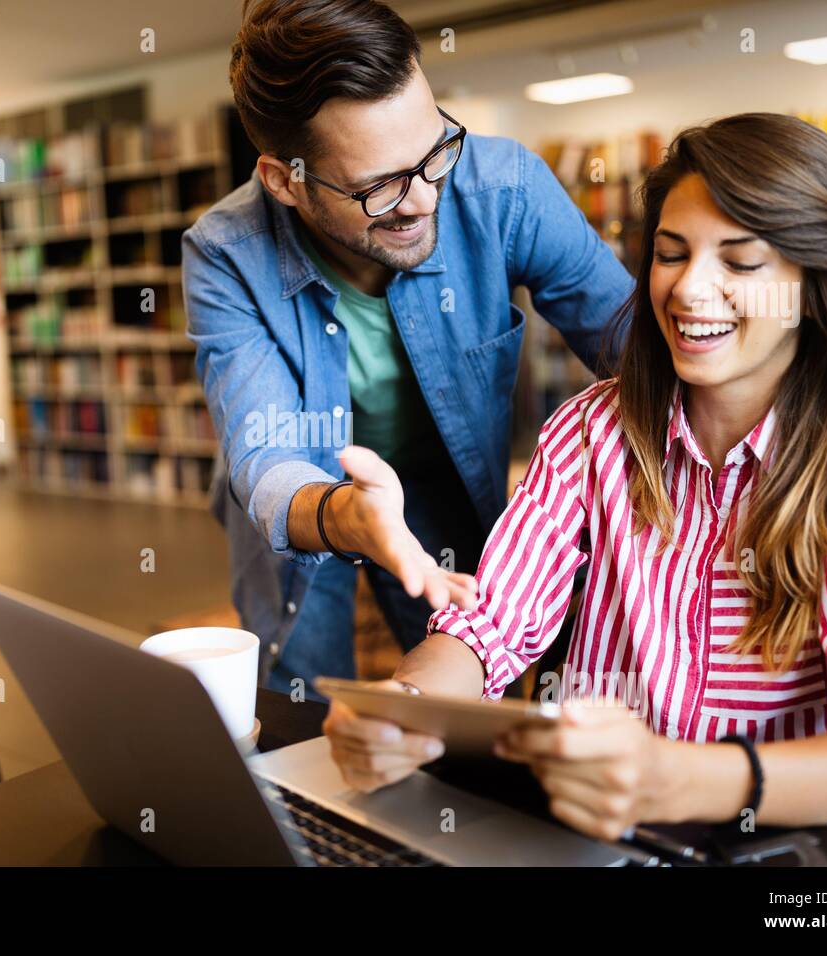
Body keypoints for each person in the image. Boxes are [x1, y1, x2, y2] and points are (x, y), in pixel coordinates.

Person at [324, 112, 827, 847]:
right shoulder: (592, 432)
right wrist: (404, 706)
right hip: (608, 841)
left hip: (815, 864)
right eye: (671, 254)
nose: (690, 290)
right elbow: (487, 625)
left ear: (814, 285)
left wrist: (675, 777)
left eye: (740, 264)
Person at [183, 0, 632, 694]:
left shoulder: (502, 187)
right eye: (379, 186)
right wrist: (348, 518)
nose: (424, 200)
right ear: (284, 181)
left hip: (445, 479)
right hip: (312, 502)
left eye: (433, 153)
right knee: (294, 700)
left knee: (463, 687)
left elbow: (634, 345)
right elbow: (266, 457)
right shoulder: (226, 252)